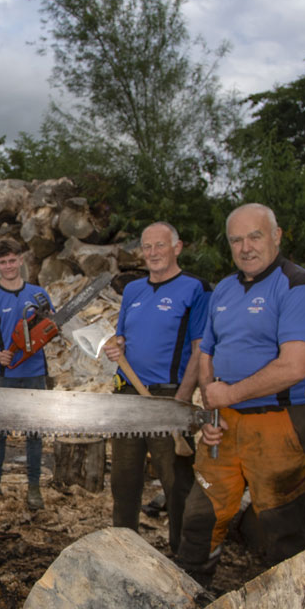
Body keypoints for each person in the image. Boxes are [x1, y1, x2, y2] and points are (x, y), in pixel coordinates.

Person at [176, 203, 305, 587]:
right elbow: (208, 353)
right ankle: (189, 596)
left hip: (281, 423)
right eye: (236, 240)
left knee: (282, 525)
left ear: (276, 236)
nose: (245, 247)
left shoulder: (299, 286)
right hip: (227, 425)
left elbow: (294, 366)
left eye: (255, 236)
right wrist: (212, 411)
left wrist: (229, 394)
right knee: (200, 515)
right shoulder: (225, 289)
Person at [104, 222, 210, 555]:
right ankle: (125, 551)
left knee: (176, 483)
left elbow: (200, 350)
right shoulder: (133, 290)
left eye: (160, 246)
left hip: (167, 394)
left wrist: (180, 401)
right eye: (147, 247)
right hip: (128, 396)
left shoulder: (195, 289)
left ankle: (183, 556)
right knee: (124, 480)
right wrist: (114, 346)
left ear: (177, 248)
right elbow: (122, 338)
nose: (152, 253)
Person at [0, 237, 53, 511]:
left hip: (35, 372)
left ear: (21, 260)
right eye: (3, 262)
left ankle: (34, 488)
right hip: (6, 373)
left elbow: (51, 324)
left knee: (34, 432)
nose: (8, 266)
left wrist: (48, 330)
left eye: (12, 260)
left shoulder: (38, 295)